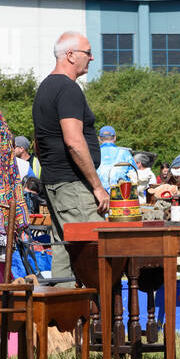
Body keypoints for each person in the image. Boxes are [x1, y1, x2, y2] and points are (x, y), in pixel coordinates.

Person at [33, 32, 109, 283]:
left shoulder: (45, 87)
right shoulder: (67, 89)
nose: (92, 58)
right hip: (73, 186)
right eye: (88, 53)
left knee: (64, 250)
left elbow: (38, 142)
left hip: (55, 183)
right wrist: (97, 187)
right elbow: (74, 142)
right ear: (70, 55)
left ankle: (63, 319)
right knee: (93, 252)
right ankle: (95, 318)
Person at [96, 125, 136, 190]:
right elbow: (134, 176)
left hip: (97, 194)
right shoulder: (125, 153)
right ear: (115, 138)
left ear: (99, 139)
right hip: (120, 194)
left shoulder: (93, 153)